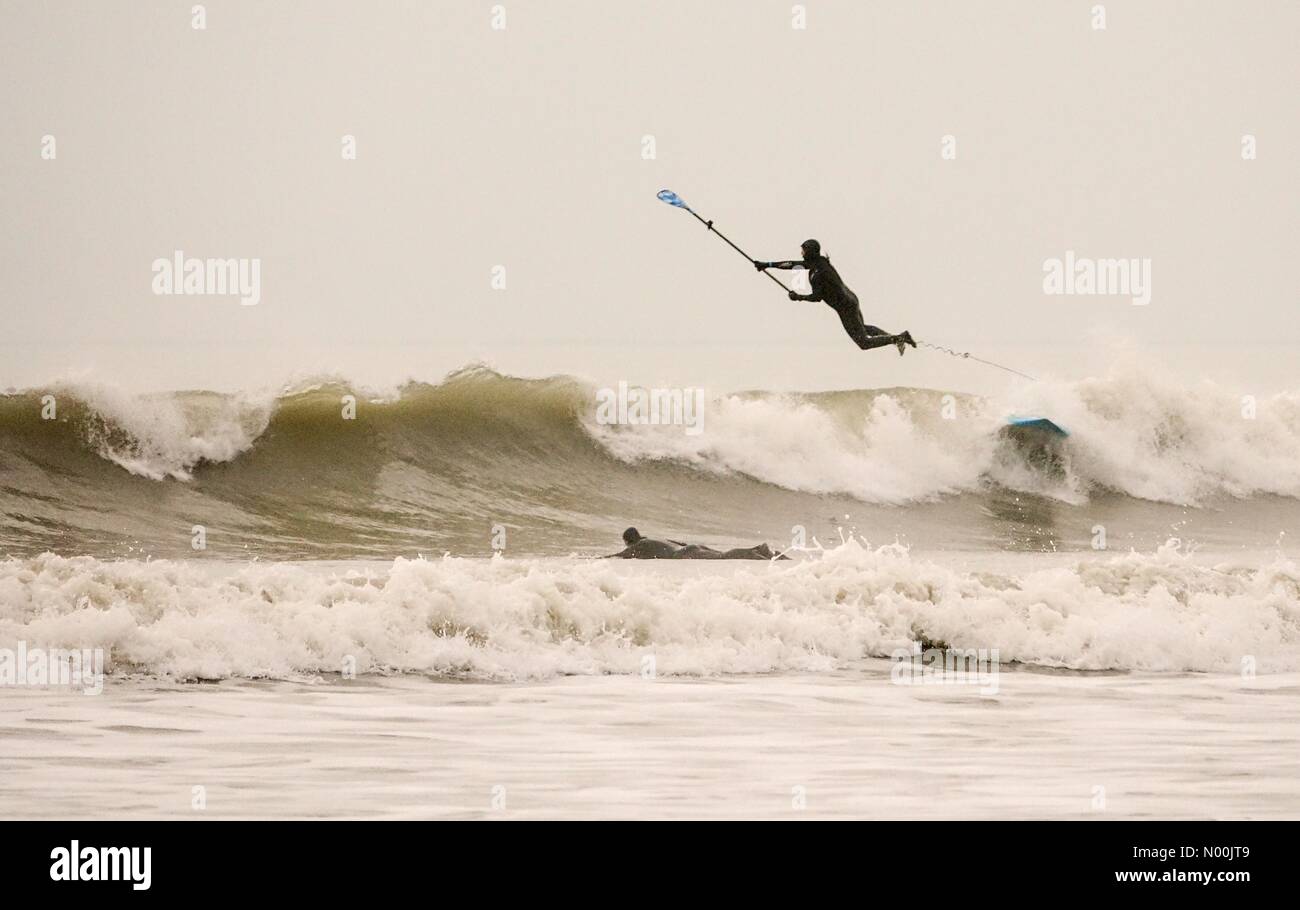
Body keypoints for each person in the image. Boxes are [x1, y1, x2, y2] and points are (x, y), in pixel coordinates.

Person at [754, 239, 916, 354]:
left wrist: (798, 297)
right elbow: (791, 264)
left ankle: (898, 338)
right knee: (863, 328)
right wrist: (767, 265)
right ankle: (896, 339)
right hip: (851, 299)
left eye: (803, 250)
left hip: (844, 306)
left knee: (863, 343)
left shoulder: (819, 273)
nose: (801, 253)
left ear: (809, 252)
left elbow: (817, 297)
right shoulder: (819, 262)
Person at [605, 527, 786, 560]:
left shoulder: (638, 546)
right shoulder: (653, 539)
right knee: (723, 555)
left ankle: (760, 552)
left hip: (685, 554)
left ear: (629, 541)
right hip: (691, 548)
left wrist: (596, 557)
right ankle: (762, 552)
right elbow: (681, 542)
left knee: (723, 558)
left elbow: (620, 556)